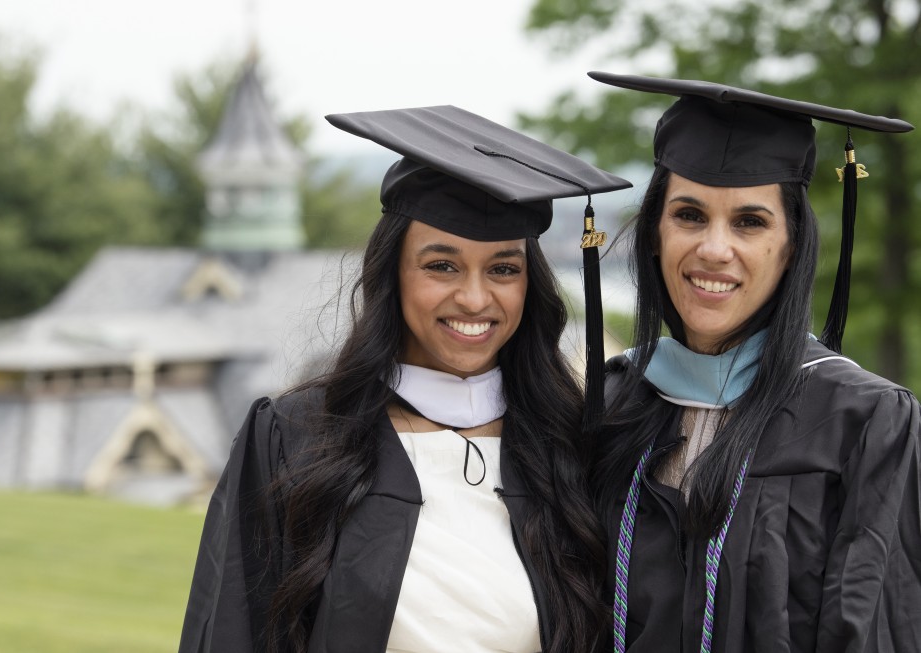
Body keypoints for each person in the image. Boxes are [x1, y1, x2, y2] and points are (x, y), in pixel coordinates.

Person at [177, 105, 632, 653]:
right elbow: (233, 632)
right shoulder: (296, 441)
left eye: (503, 268)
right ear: (392, 273)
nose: (474, 298)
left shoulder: (568, 447)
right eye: (441, 265)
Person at [583, 72, 920, 652]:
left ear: (791, 246)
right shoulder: (612, 403)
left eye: (749, 222)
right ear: (655, 234)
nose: (715, 249)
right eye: (689, 215)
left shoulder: (864, 421)